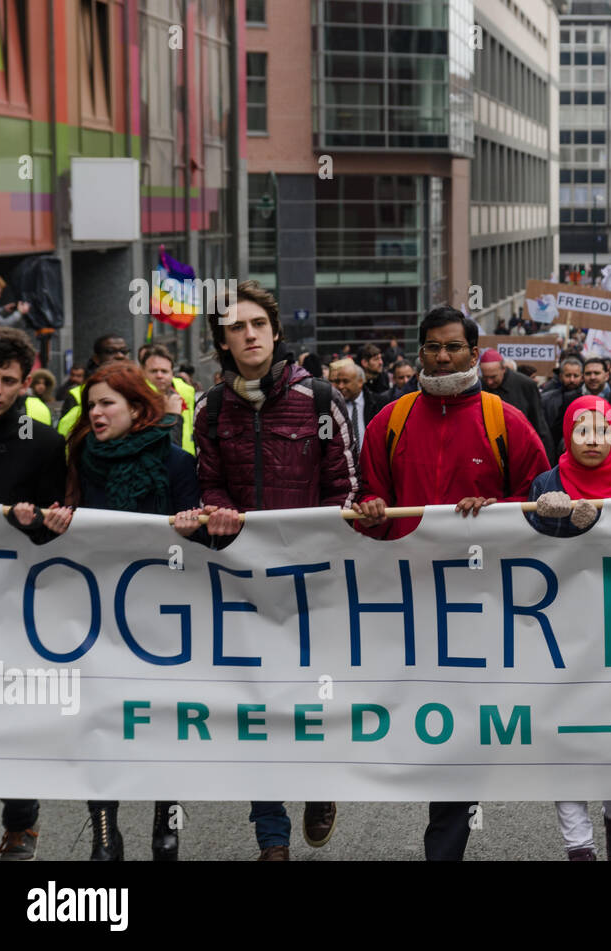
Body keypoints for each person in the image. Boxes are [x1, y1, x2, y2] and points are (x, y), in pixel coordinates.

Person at [349, 305, 548, 861]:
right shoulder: (389, 419)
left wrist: (498, 507)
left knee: (459, 730)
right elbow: (372, 498)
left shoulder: (503, 418)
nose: (442, 356)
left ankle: (445, 845)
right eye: (433, 347)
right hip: (405, 603)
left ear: (473, 351)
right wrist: (369, 510)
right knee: (420, 720)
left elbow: (540, 494)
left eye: (454, 347)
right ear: (419, 352)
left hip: (481, 603)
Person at [194, 279, 358, 861]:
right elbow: (209, 481)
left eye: (257, 324)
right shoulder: (210, 408)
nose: (249, 334)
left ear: (274, 331)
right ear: (223, 341)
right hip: (242, 581)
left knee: (309, 702)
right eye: (236, 328)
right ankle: (272, 839)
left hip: (313, 582)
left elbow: (347, 486)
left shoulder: (319, 399)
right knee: (255, 708)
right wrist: (219, 512)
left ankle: (318, 784)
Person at [25, 362, 205, 861]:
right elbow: (52, 534)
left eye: (106, 403)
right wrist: (51, 522)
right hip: (97, 611)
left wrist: (194, 527)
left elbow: (207, 541)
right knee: (100, 720)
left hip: (163, 616)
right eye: (90, 404)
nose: (96, 413)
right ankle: (105, 830)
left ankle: (165, 821)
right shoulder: (79, 461)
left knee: (161, 721)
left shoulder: (176, 464)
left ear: (136, 407)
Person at [526, 396, 611, 859]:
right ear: (567, 435)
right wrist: (546, 518)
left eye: (602, 431)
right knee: (565, 736)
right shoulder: (546, 482)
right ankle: (577, 846)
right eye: (583, 431)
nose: (593, 440)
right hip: (559, 634)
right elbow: (527, 552)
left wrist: (602, 527)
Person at [0, 327, 67, 861]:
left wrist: (36, 524)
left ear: (24, 384)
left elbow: (55, 529)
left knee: (7, 711)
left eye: (7, 381)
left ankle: (20, 823)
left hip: (9, 601)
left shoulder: (45, 443)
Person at [479, 348, 554, 461]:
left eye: (493, 377)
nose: (489, 382)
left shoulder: (525, 385)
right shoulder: (479, 385)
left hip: (519, 453)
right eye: (486, 378)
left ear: (503, 369)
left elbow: (538, 423)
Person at [58, 334, 133, 436]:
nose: (120, 356)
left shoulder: (143, 388)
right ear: (96, 359)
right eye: (110, 351)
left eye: (124, 351)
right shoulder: (76, 395)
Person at [141, 343, 196, 455]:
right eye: (154, 371)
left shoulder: (187, 392)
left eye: (164, 371)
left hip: (187, 459)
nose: (159, 375)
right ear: (143, 372)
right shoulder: (138, 398)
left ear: (172, 373)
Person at [328, 358, 388, 458]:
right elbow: (324, 438)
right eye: (338, 381)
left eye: (345, 381)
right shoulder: (328, 407)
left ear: (360, 382)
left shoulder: (380, 403)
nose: (340, 386)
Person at [542, 355, 584, 440]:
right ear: (561, 376)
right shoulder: (546, 399)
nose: (572, 380)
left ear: (582, 377)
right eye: (568, 375)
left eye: (575, 376)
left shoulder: (588, 399)